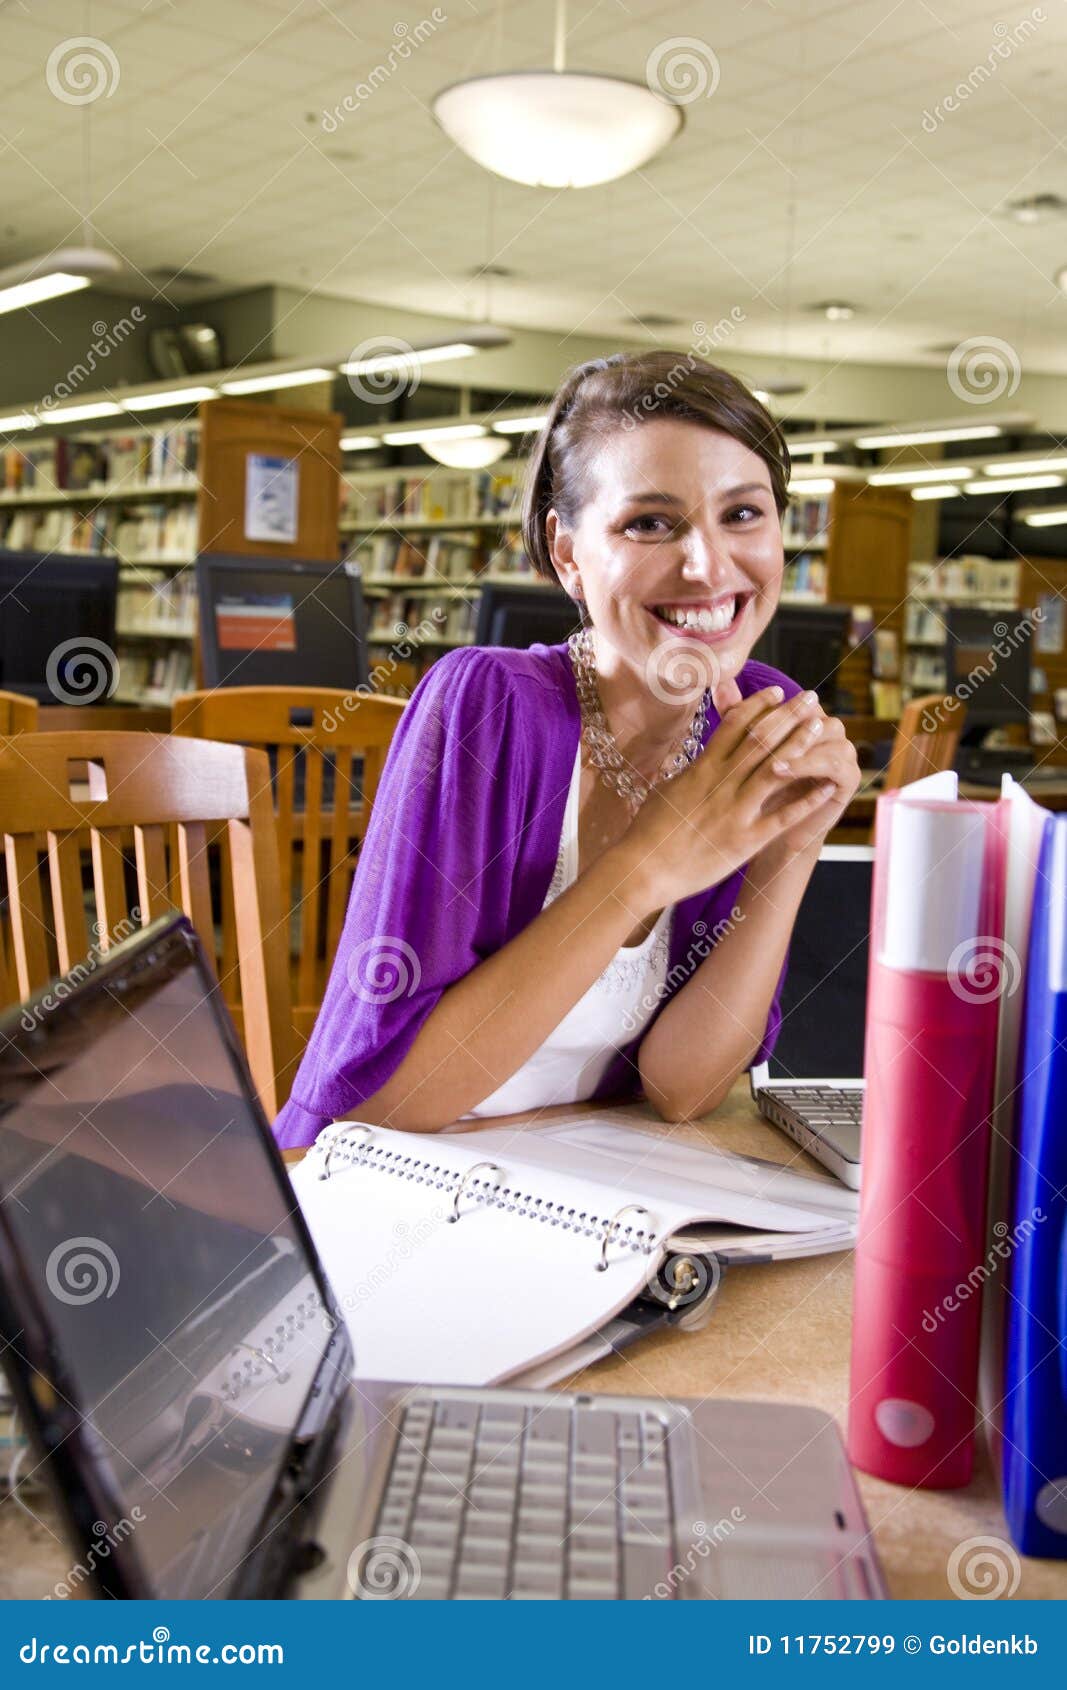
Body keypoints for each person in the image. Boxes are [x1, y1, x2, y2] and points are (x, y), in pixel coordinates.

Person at [272, 350, 859, 1150]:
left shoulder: (756, 718)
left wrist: (788, 851)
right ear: (566, 553)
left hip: (589, 1188)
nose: (708, 565)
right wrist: (650, 863)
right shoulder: (484, 706)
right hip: (382, 1194)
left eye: (743, 514)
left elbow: (681, 1090)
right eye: (649, 523)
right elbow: (381, 1111)